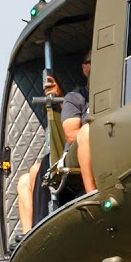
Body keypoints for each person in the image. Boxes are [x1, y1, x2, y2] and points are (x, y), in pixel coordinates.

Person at [17, 50, 91, 232]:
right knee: (32, 174)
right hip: (78, 152)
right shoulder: (77, 98)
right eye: (92, 60)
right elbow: (72, 134)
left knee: (34, 172)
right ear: (84, 68)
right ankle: (31, 233)